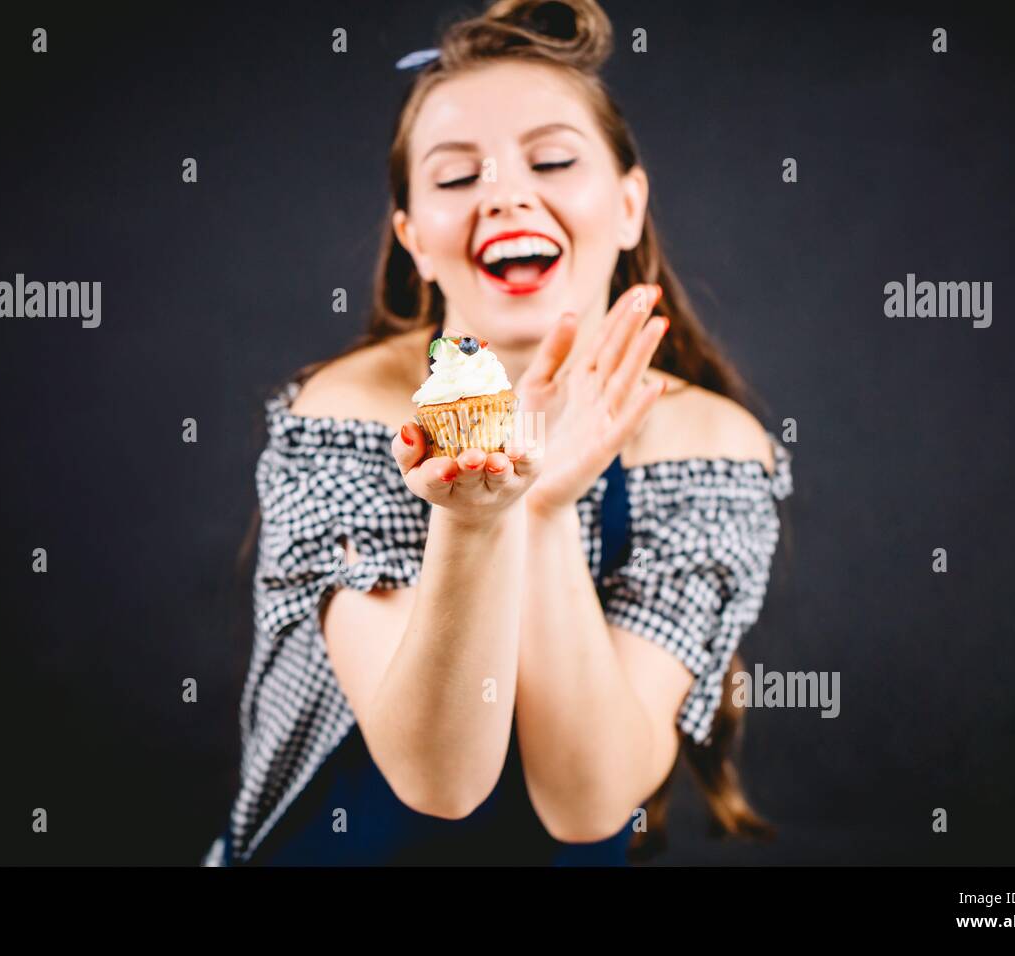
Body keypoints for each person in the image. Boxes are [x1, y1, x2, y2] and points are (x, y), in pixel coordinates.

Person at [204, 0, 793, 867]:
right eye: (453, 177)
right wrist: (478, 517)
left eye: (552, 158)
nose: (508, 192)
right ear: (415, 241)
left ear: (629, 206)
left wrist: (548, 510)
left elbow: (590, 802)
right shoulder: (342, 417)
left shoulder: (712, 451)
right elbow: (438, 780)